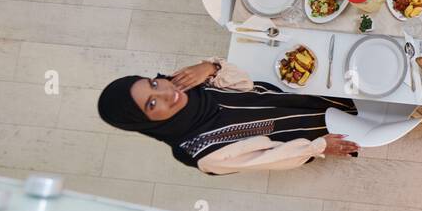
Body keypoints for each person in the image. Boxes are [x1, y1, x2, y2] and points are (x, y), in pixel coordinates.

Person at [97, 57, 358, 175]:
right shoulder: (204, 153)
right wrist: (321, 146)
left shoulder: (178, 82)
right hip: (298, 136)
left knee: (354, 95)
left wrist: (210, 67)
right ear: (146, 122)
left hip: (286, 98)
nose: (167, 91)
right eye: (152, 103)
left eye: (153, 84)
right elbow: (270, 159)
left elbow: (243, 85)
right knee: (359, 126)